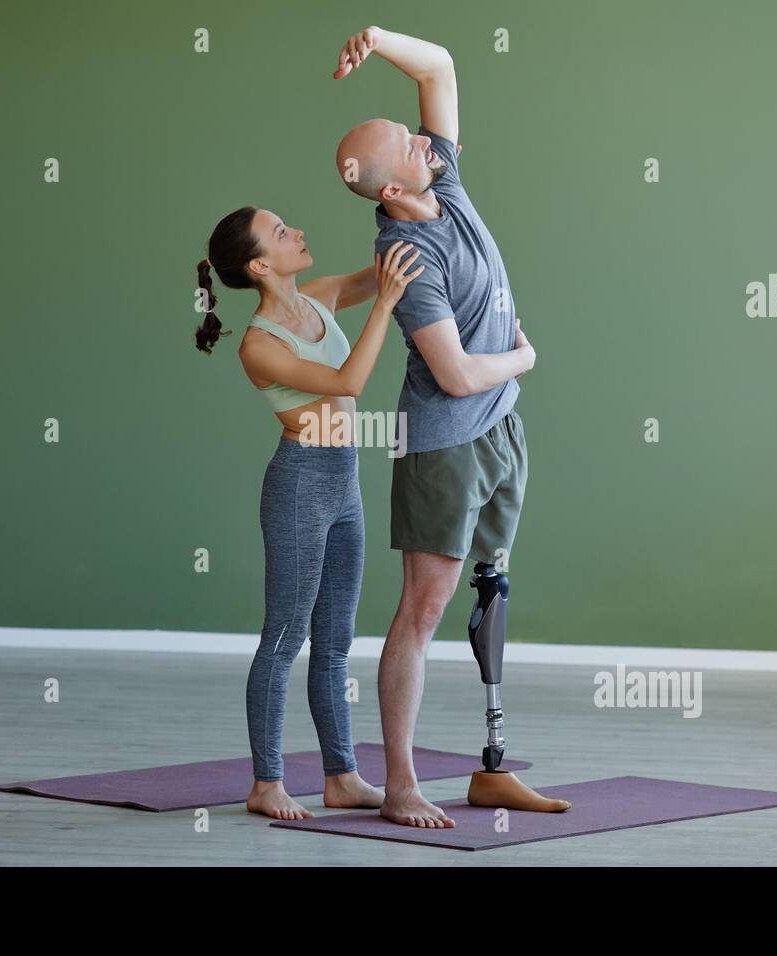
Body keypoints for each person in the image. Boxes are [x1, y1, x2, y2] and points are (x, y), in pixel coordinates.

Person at [333, 27, 537, 828]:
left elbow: (441, 67)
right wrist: (524, 358)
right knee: (423, 607)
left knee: (485, 588)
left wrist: (376, 38)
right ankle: (402, 785)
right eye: (409, 146)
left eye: (417, 135)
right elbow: (452, 375)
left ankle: (489, 764)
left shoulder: (442, 181)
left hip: (498, 432)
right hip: (443, 442)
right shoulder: (407, 256)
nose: (426, 142)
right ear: (389, 190)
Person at [195, 206, 423, 819]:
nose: (296, 231)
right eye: (280, 232)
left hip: (344, 480)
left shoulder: (318, 299)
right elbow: (346, 381)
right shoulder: (260, 345)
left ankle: (341, 776)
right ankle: (266, 783)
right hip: (300, 486)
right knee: (284, 637)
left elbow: (373, 276)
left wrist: (414, 214)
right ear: (260, 265)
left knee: (335, 641)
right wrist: (384, 306)